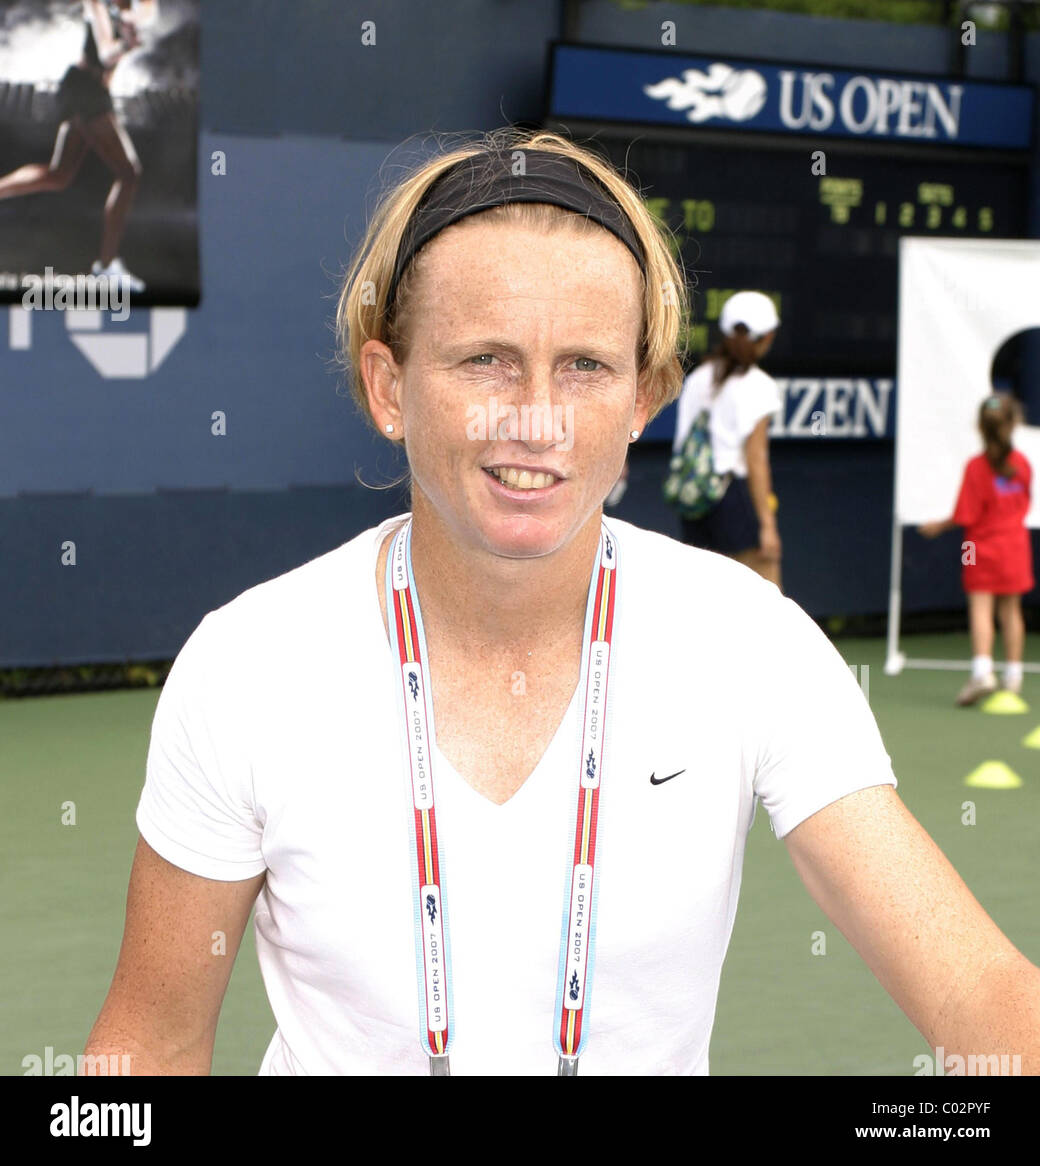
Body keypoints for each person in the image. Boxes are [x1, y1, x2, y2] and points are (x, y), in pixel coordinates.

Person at [84, 130, 1040, 1076]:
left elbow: (976, 990)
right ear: (387, 386)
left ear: (643, 398)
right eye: (485, 360)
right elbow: (151, 1048)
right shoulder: (250, 664)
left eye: (585, 366)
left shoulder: (750, 642)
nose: (537, 418)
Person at [0, 0, 157, 293]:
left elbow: (151, 10)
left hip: (89, 92)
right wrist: (125, 45)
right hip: (84, 89)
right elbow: (105, 52)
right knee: (129, 172)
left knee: (59, 176)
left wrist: (133, 22)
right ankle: (105, 268)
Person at [918, 392, 1034, 707]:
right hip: (1016, 546)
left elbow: (964, 516)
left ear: (981, 428)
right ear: (1013, 424)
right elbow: (1025, 504)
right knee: (1011, 611)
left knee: (980, 607)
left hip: (975, 548)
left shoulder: (976, 467)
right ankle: (1013, 677)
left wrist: (937, 526)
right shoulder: (1023, 465)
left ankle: (982, 672)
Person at [671, 291, 782, 587]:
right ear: (767, 337)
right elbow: (756, 461)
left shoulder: (696, 379)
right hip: (735, 499)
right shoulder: (760, 386)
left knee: (708, 598)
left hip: (697, 502)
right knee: (766, 601)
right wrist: (768, 527)